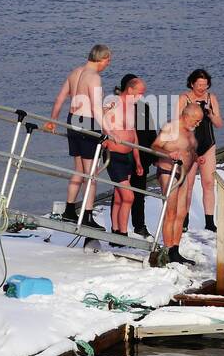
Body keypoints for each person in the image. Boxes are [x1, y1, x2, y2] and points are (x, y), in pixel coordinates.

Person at [46, 44, 112, 231]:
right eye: (108, 60)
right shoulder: (94, 78)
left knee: (78, 170)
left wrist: (53, 120)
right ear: (101, 58)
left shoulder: (76, 72)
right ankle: (87, 215)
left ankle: (69, 210)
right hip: (87, 124)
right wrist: (108, 131)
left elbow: (60, 98)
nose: (109, 63)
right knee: (91, 174)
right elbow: (96, 109)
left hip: (72, 121)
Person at [151, 103, 205, 266]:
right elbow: (154, 147)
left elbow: (188, 150)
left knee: (181, 213)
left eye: (199, 121)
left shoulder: (190, 131)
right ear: (186, 115)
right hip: (168, 172)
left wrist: (196, 157)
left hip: (183, 174)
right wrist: (169, 153)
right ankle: (168, 251)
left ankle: (175, 250)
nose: (198, 124)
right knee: (171, 212)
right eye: (196, 120)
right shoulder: (171, 128)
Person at [176, 69, 223, 232]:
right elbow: (178, 124)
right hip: (189, 147)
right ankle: (184, 220)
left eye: (205, 85)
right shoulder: (184, 98)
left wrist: (211, 114)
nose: (202, 88)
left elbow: (219, 124)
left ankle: (209, 221)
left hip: (208, 145)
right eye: (199, 85)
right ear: (192, 83)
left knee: (208, 183)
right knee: (187, 185)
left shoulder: (211, 98)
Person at [102, 80, 143, 242]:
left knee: (120, 196)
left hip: (128, 156)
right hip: (113, 154)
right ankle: (123, 235)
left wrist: (138, 160)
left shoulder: (131, 108)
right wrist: (111, 133)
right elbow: (102, 116)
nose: (141, 96)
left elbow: (134, 135)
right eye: (139, 92)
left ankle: (116, 231)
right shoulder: (113, 100)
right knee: (128, 197)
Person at [118, 74, 158, 239]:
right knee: (121, 194)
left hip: (142, 155)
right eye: (138, 92)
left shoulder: (143, 107)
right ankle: (119, 228)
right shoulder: (117, 106)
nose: (140, 95)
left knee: (139, 194)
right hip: (124, 156)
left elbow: (150, 132)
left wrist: (154, 154)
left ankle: (139, 225)